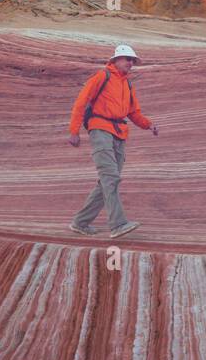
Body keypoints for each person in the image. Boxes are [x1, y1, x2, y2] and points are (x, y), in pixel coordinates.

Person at [67, 44, 158, 238]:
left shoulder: (128, 84)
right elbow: (81, 102)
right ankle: (118, 224)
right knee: (111, 178)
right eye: (127, 59)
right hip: (100, 129)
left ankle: (80, 222)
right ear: (115, 60)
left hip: (119, 133)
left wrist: (148, 125)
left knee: (107, 181)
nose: (131, 63)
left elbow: (133, 113)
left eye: (132, 60)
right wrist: (74, 131)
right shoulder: (102, 76)